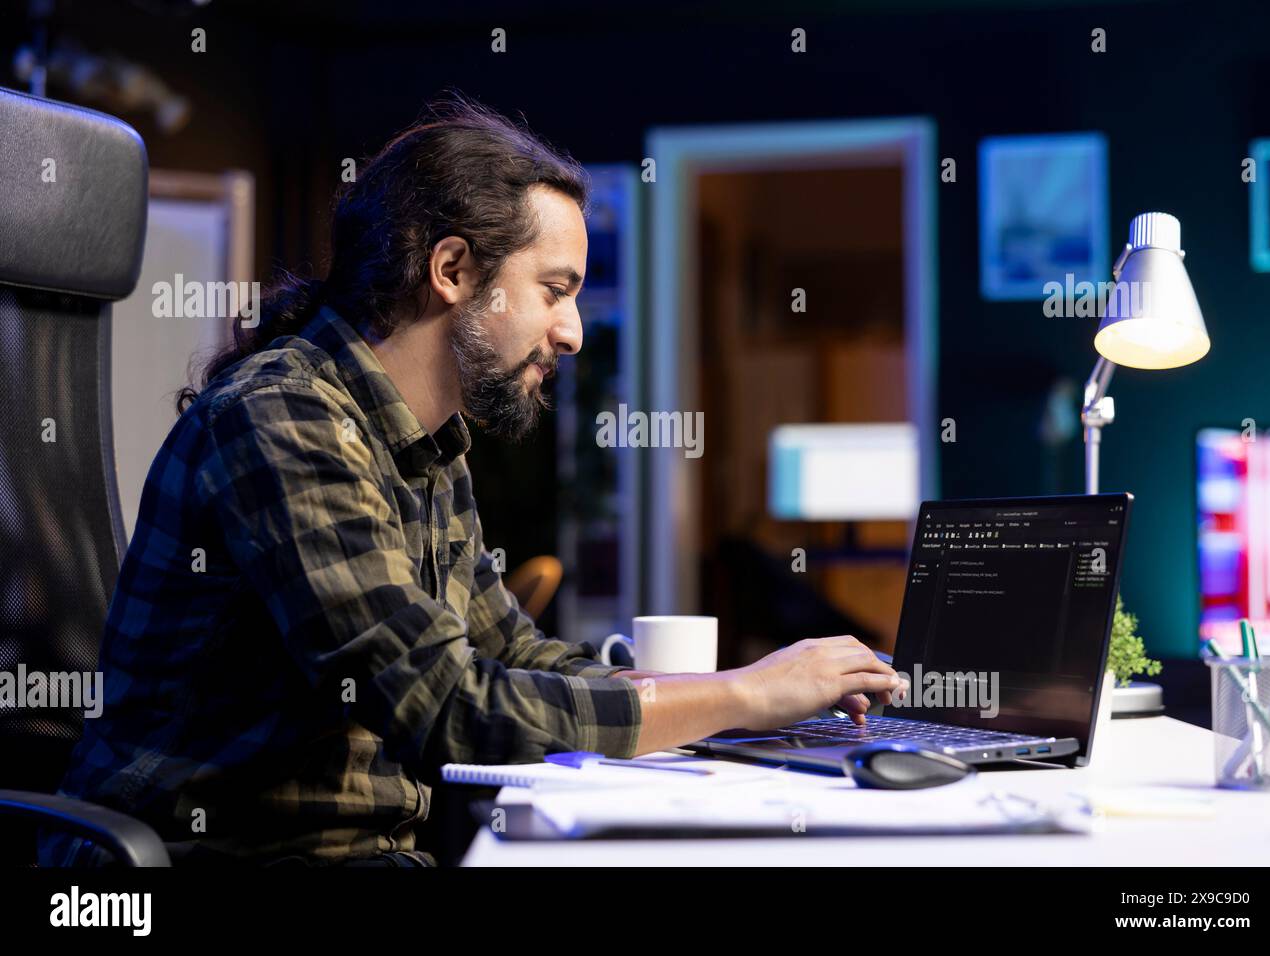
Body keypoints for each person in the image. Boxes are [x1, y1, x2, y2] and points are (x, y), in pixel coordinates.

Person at [43, 95, 900, 866]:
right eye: (555, 290)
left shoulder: (427, 438)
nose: (571, 332)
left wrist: (751, 700)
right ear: (453, 271)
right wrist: (743, 695)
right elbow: (445, 705)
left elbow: (510, 655)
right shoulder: (280, 421)